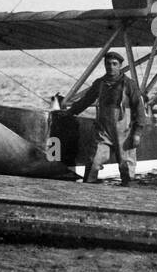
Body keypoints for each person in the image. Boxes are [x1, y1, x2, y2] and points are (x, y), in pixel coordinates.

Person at [63, 50, 148, 186]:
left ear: (120, 66)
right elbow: (86, 100)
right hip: (103, 131)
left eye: (114, 64)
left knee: (126, 166)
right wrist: (71, 112)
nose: (111, 67)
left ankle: (129, 192)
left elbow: (140, 109)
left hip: (124, 133)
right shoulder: (100, 83)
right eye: (108, 64)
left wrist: (137, 133)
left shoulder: (129, 84)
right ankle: (88, 189)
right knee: (94, 161)